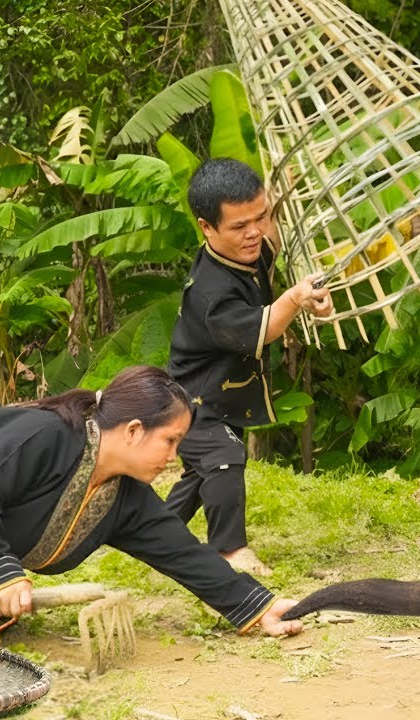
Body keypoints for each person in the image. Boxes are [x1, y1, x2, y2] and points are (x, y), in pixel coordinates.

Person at [0, 365, 303, 641]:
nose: (173, 456)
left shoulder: (124, 498)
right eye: (170, 441)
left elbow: (181, 552)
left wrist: (256, 606)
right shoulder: (46, 432)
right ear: (134, 430)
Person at [166, 158, 333, 576]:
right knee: (224, 459)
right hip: (193, 399)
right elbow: (266, 327)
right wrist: (295, 299)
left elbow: (273, 233)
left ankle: (153, 530)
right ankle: (230, 550)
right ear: (207, 227)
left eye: (261, 216)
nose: (255, 231)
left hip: (223, 393)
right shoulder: (211, 293)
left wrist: (311, 294)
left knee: (202, 475)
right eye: (240, 225)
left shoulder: (248, 248)